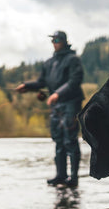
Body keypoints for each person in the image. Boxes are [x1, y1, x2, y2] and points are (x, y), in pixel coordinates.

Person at [15, 30, 85, 187]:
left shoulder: (73, 59)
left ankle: (73, 179)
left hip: (71, 103)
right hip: (56, 106)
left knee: (70, 140)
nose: (54, 42)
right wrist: (26, 86)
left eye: (57, 40)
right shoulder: (48, 63)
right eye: (52, 40)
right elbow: (41, 82)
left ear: (64, 41)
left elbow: (75, 81)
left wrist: (58, 94)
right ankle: (60, 176)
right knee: (58, 141)